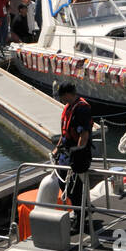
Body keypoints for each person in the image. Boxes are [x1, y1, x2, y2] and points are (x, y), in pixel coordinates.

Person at [55, 82, 93, 234]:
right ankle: (83, 208)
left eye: (63, 96)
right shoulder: (68, 107)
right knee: (63, 183)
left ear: (68, 94)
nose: (62, 99)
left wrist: (77, 151)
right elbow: (65, 133)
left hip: (77, 154)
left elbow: (84, 134)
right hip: (66, 152)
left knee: (74, 187)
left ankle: (80, 216)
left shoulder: (82, 108)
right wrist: (56, 149)